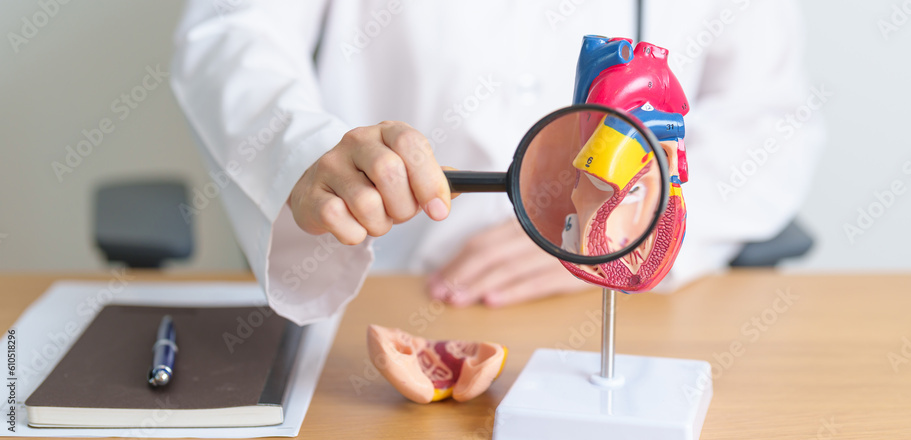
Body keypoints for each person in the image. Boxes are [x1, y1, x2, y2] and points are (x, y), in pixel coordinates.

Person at [170, 0, 823, 325]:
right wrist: (303, 150)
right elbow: (232, 34)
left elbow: (768, 119)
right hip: (391, 296)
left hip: (631, 309)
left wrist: (609, 231)